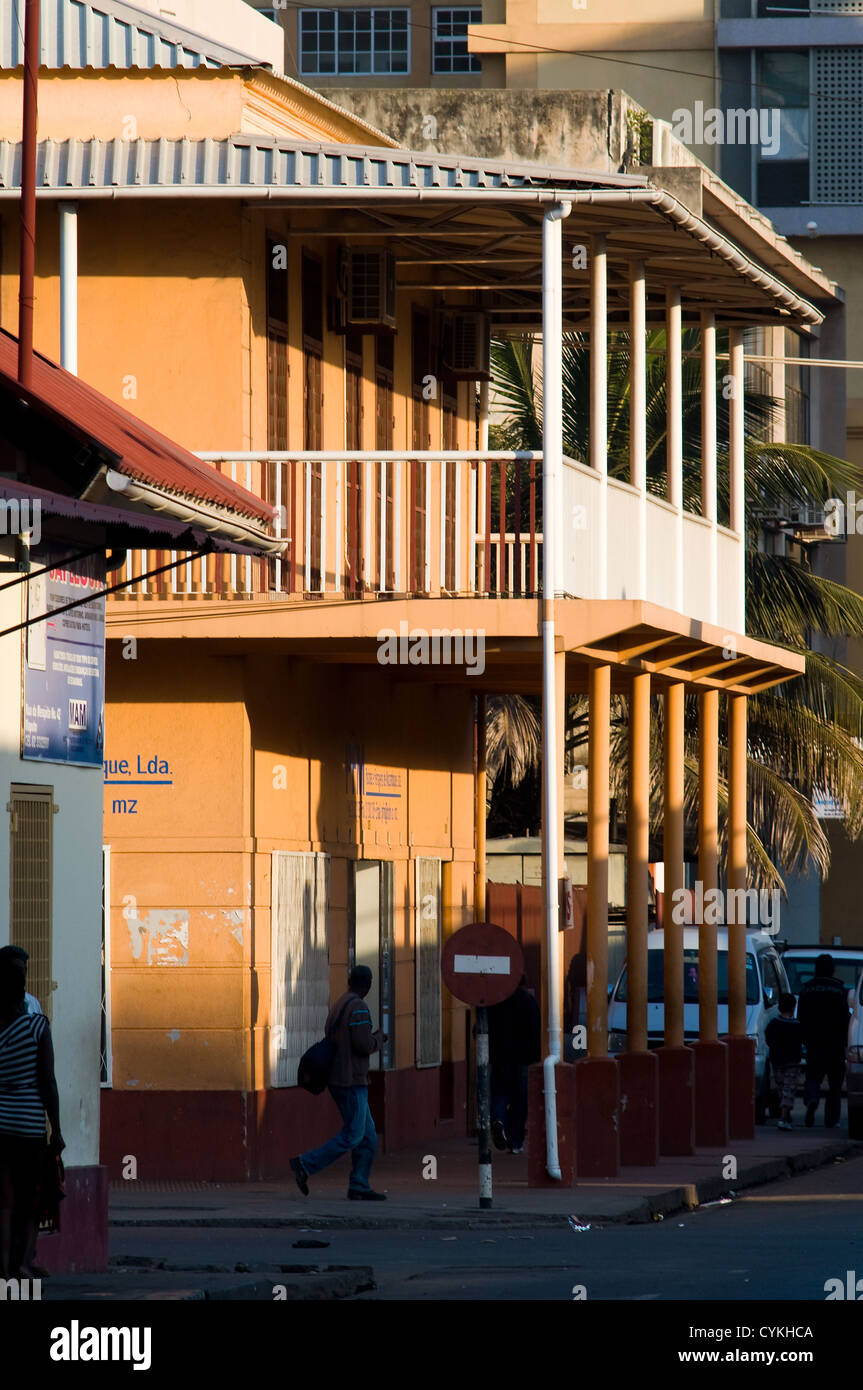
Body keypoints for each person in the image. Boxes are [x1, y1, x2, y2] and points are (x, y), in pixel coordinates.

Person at [290, 966, 387, 1201]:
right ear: (368, 984)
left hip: (340, 1078)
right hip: (351, 1080)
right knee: (353, 1135)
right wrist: (379, 1039)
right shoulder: (359, 1008)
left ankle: (359, 1184)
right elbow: (363, 1045)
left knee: (369, 1136)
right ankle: (305, 1164)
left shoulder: (339, 1004)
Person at [0, 947, 64, 1278]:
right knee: (27, 1202)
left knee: (7, 1202)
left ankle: (8, 1268)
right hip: (28, 1128)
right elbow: (48, 1081)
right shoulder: (38, 1025)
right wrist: (58, 1130)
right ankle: (21, 1266)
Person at [488, 976, 541, 1155]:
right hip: (523, 1059)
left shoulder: (495, 1000)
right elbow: (535, 1030)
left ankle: (498, 1120)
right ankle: (516, 1141)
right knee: (520, 1100)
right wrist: (536, 1055)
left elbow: (484, 1026)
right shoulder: (528, 1001)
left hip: (499, 1057)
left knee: (500, 1093)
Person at [797, 953, 850, 1129]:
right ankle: (831, 1120)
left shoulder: (806, 989)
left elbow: (801, 1017)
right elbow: (845, 1018)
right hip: (835, 1043)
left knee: (813, 1076)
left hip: (814, 1043)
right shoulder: (840, 990)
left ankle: (812, 1099)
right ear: (832, 969)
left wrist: (804, 1039)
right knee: (835, 1085)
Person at [765, 992, 804, 1131]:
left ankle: (785, 1115)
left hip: (776, 1062)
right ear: (794, 1007)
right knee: (789, 1089)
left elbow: (768, 1039)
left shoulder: (773, 1024)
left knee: (781, 1089)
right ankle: (784, 1117)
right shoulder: (797, 1026)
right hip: (792, 1062)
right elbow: (802, 1041)